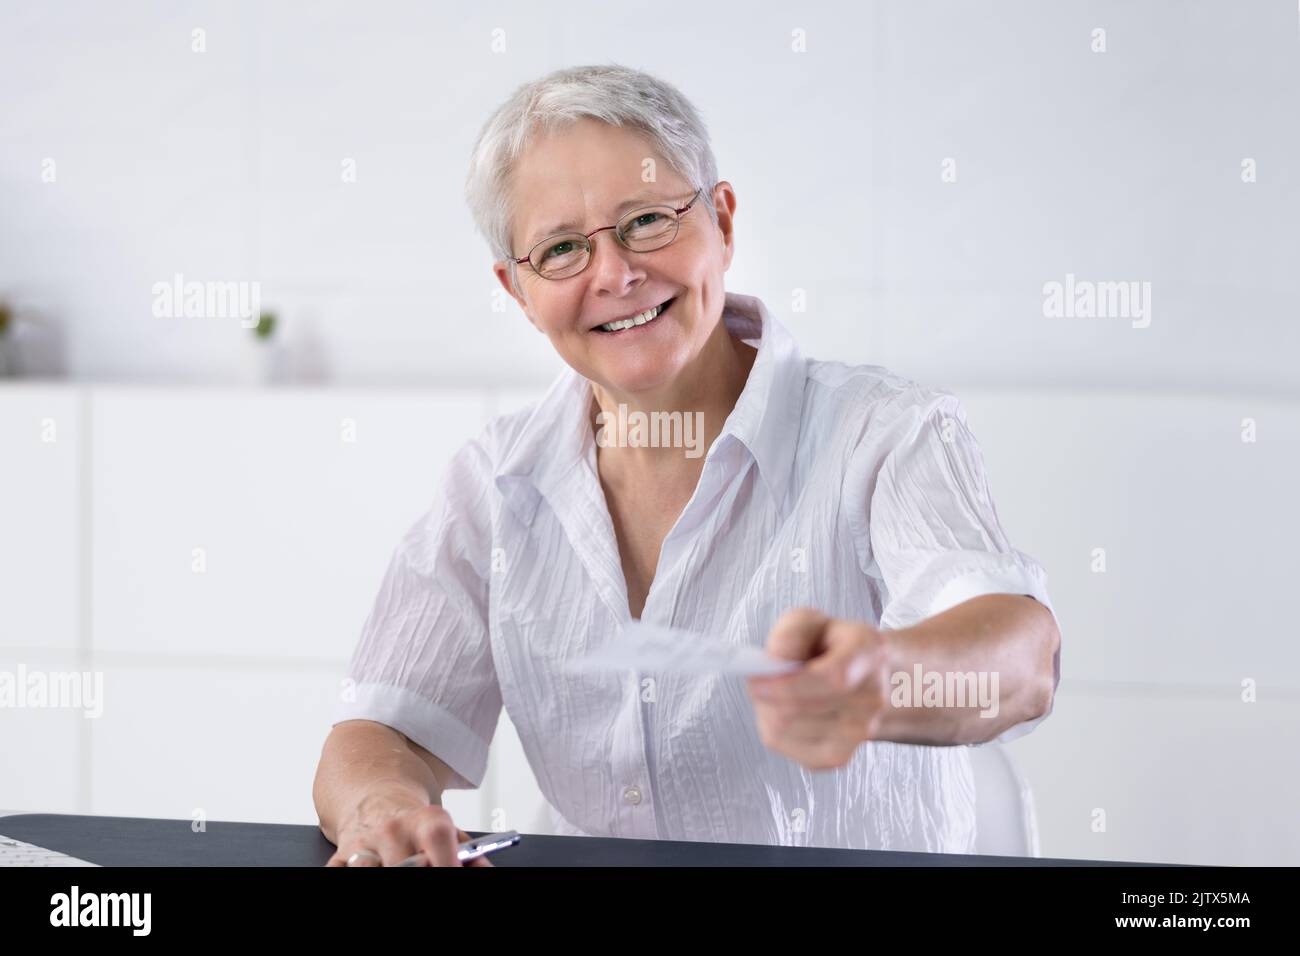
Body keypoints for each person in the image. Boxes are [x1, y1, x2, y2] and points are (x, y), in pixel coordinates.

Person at [313, 63, 1062, 867]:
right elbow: (381, 728)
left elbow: (1020, 662)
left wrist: (881, 680)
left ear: (724, 222)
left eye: (646, 221)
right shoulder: (494, 481)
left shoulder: (885, 432)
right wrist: (381, 805)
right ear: (519, 291)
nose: (615, 273)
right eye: (562, 249)